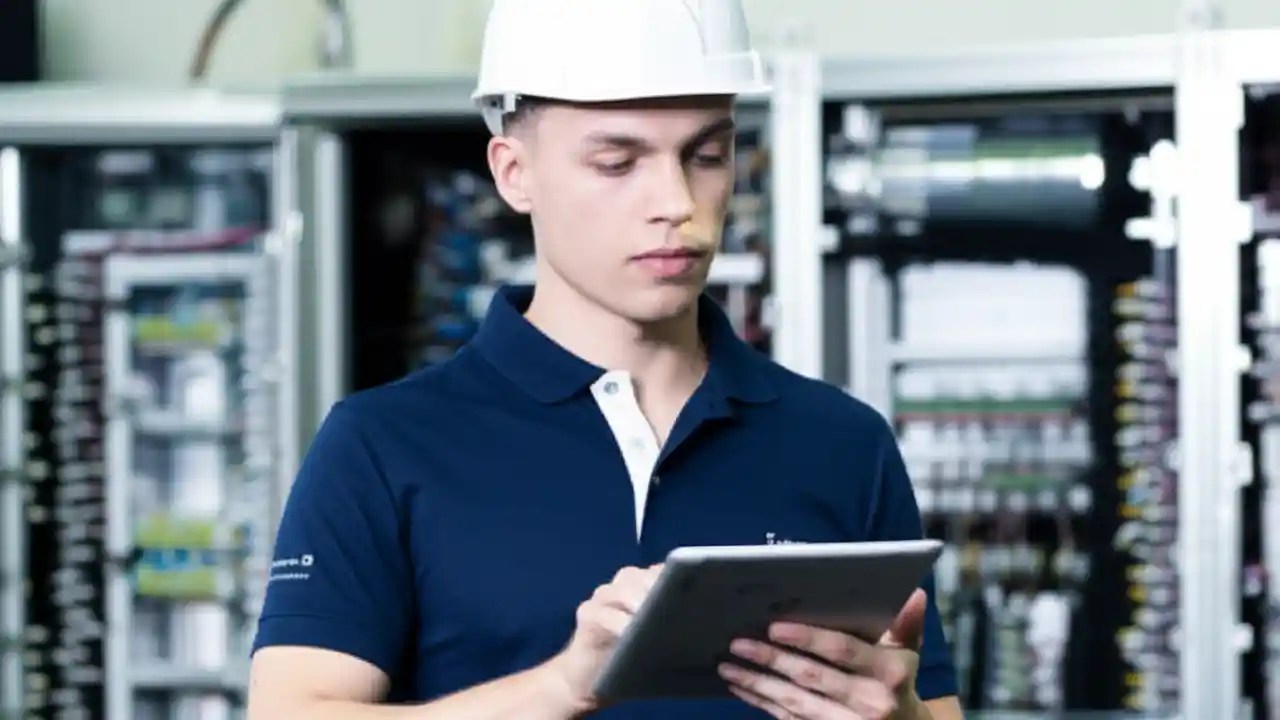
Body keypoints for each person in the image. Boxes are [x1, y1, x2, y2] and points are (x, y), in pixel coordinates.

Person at [245, 1, 965, 718]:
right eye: (618, 163)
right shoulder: (381, 445)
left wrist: (897, 717)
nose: (677, 202)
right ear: (513, 172)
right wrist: (561, 687)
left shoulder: (842, 442)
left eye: (707, 155)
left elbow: (931, 707)